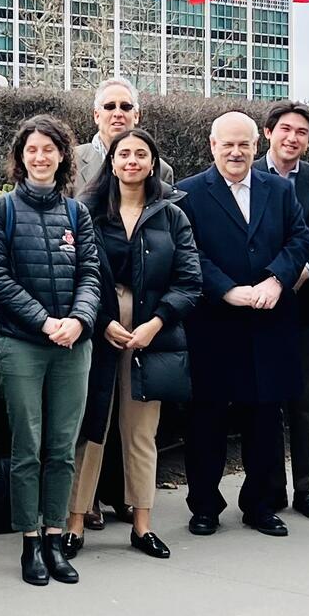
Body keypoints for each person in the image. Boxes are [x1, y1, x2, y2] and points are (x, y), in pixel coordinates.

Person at [62, 127, 199, 559]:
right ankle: (75, 523)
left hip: (151, 331)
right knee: (92, 425)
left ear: (153, 163)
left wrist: (156, 324)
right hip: (99, 327)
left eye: (142, 153)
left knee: (141, 431)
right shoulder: (86, 211)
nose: (133, 161)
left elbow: (190, 281)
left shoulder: (172, 213)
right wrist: (100, 320)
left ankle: (142, 525)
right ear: (112, 162)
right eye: (125, 154)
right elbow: (74, 275)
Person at [0, 116, 104, 584]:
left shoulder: (78, 214)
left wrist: (78, 320)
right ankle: (30, 542)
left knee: (62, 447)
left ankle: (56, 537)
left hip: (74, 345)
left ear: (62, 157)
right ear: (20, 157)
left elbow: (92, 274)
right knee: (27, 446)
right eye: (32, 149)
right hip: (21, 344)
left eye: (49, 149)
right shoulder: (0, 212)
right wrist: (44, 320)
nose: (40, 157)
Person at [177, 111, 309, 537]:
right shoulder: (189, 193)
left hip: (269, 321)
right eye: (227, 144)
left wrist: (277, 279)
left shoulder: (279, 189)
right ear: (212, 145)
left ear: (257, 145)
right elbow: (188, 252)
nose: (236, 152)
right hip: (214, 324)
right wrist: (225, 290)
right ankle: (204, 505)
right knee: (208, 421)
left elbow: (300, 239)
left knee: (264, 421)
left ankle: (259, 504)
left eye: (244, 144)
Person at [259, 100, 309, 522]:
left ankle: (306, 487)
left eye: (302, 133)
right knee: (266, 399)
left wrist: (305, 268)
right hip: (259, 304)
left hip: (306, 303)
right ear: (269, 132)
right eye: (286, 129)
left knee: (306, 402)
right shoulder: (248, 172)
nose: (293, 138)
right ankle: (270, 487)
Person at [74, 76, 176, 182]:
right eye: (110, 106)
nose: (118, 113)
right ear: (97, 116)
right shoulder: (71, 162)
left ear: (136, 116)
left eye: (125, 107)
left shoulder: (161, 171)